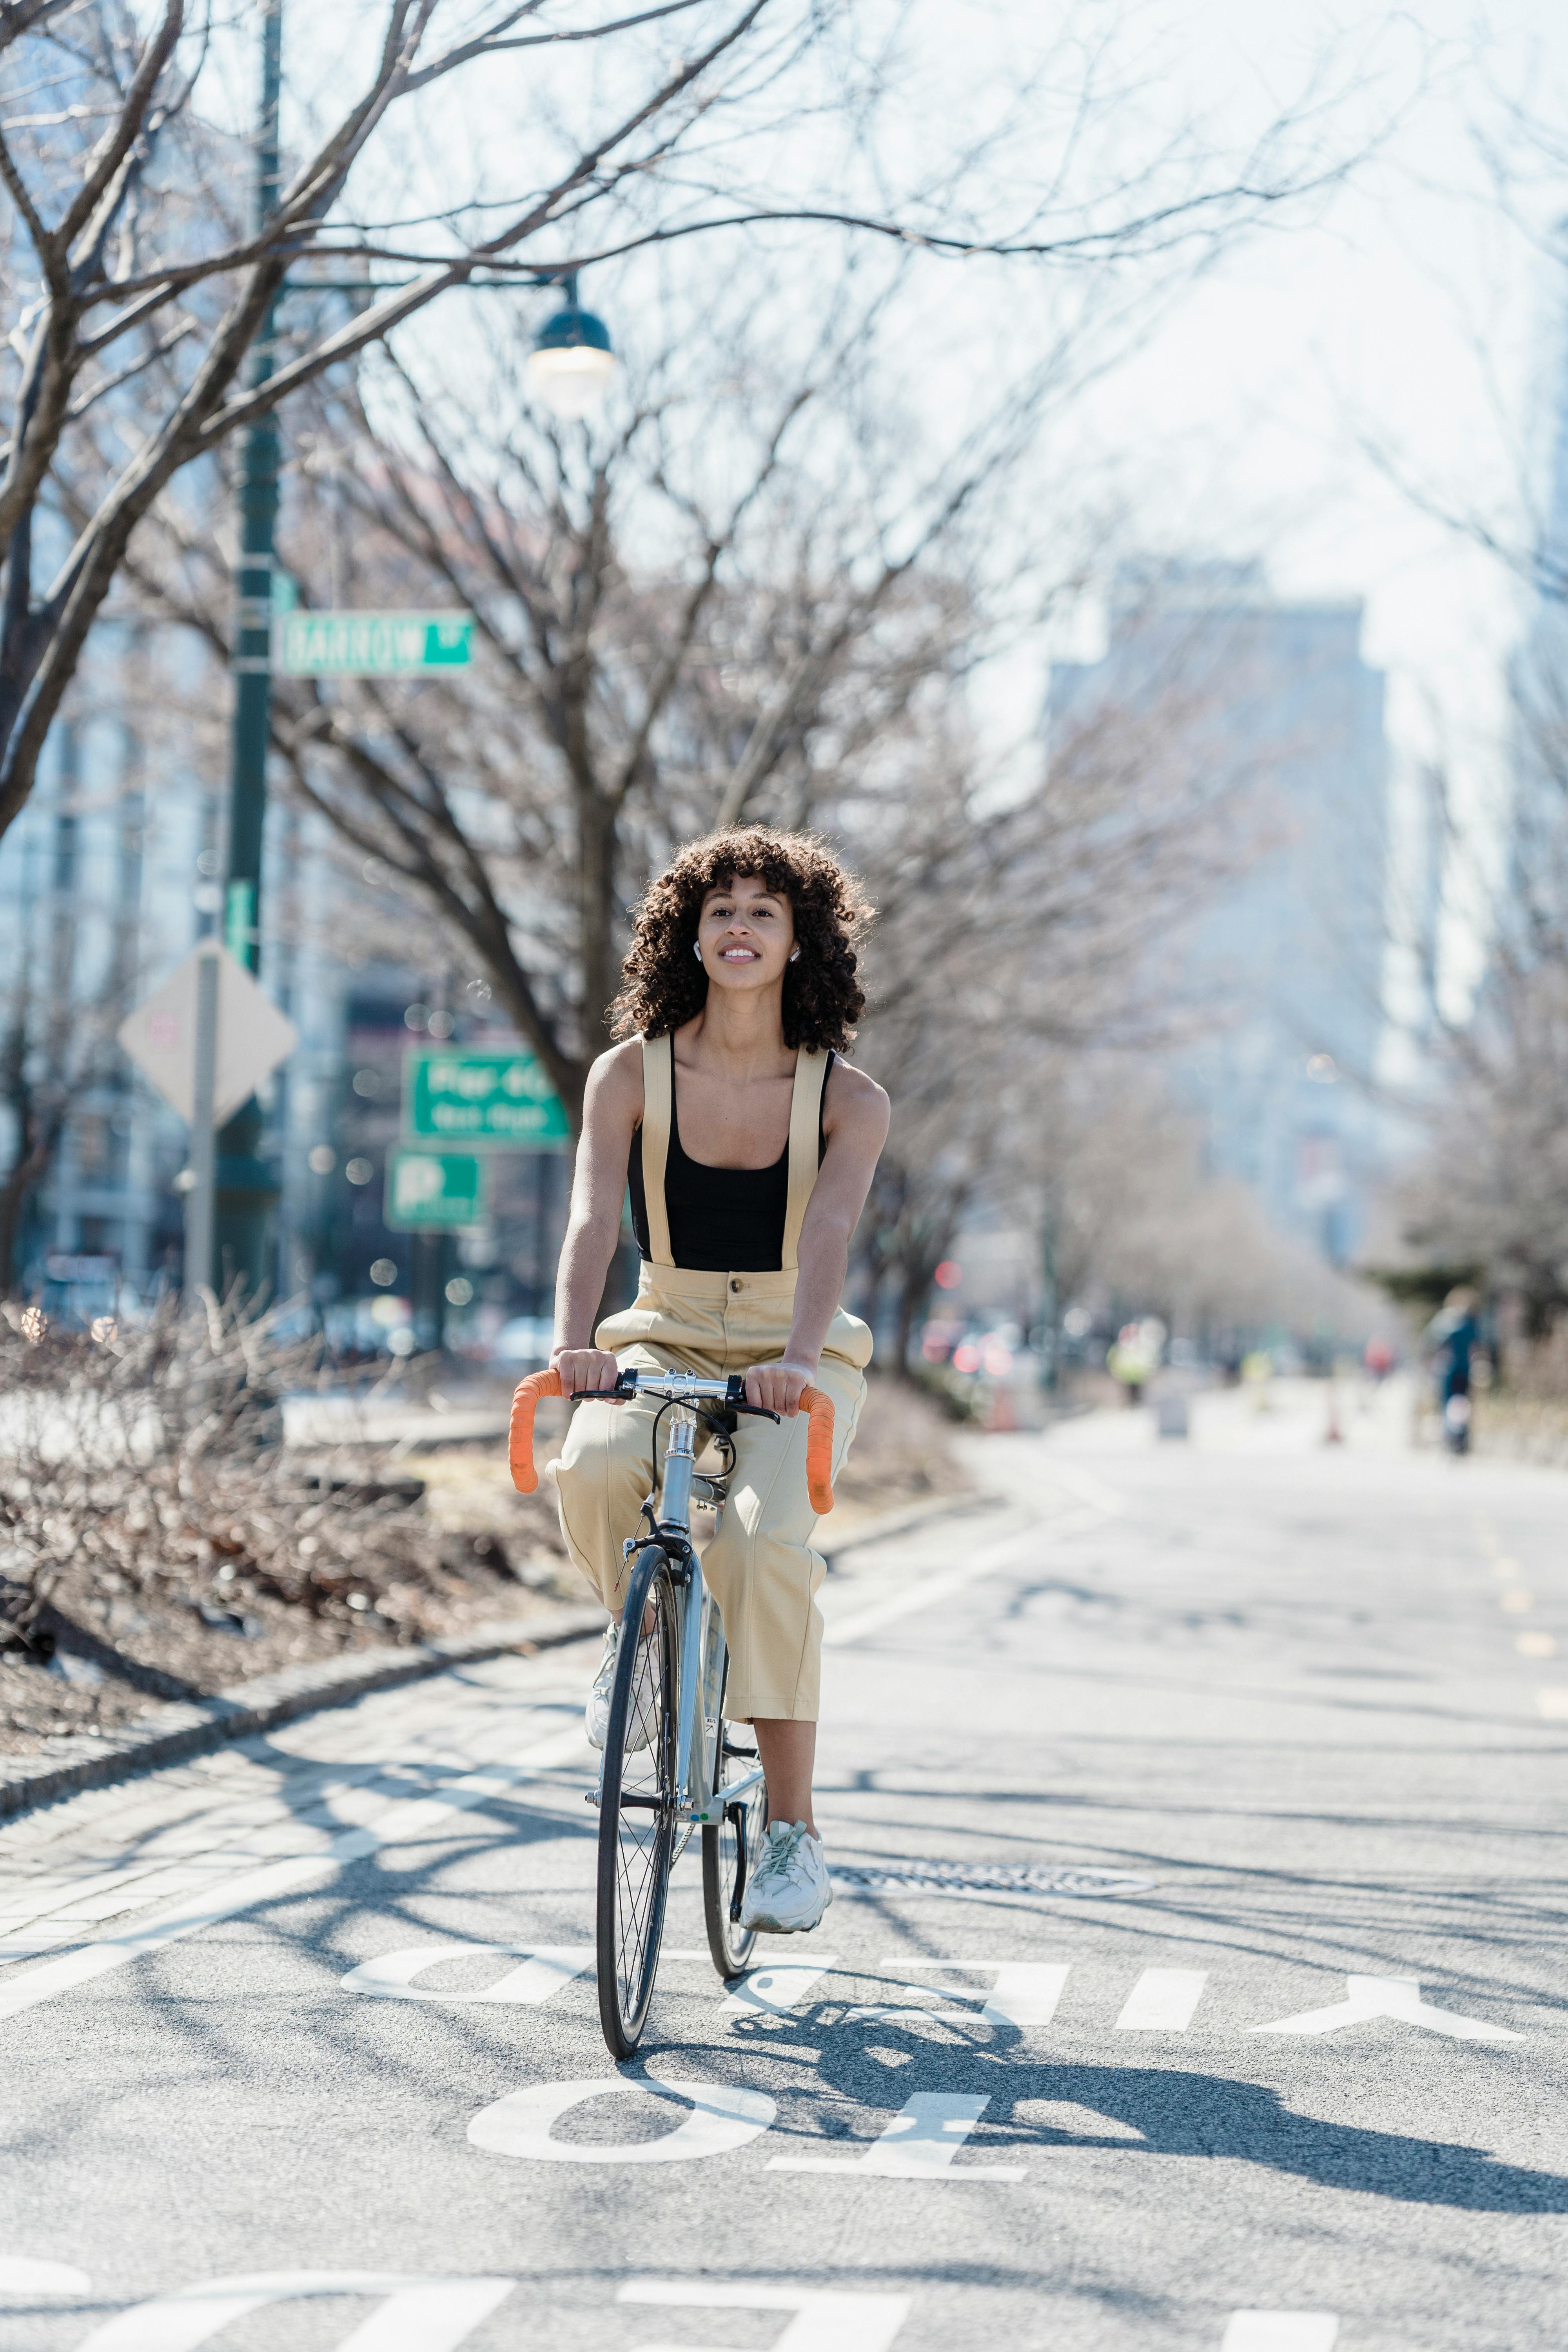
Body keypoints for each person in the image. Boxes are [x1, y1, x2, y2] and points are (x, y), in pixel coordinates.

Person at [546, 827, 890, 1936]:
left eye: (765, 911)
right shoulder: (628, 1074)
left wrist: (797, 1359)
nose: (740, 925)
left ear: (800, 944)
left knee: (760, 1544)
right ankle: (637, 1637)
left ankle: (791, 1834)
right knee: (598, 1463)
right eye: (721, 909)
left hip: (802, 1347)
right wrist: (573, 1348)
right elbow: (595, 1218)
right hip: (666, 1324)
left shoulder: (849, 1098)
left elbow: (830, 1226)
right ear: (688, 936)